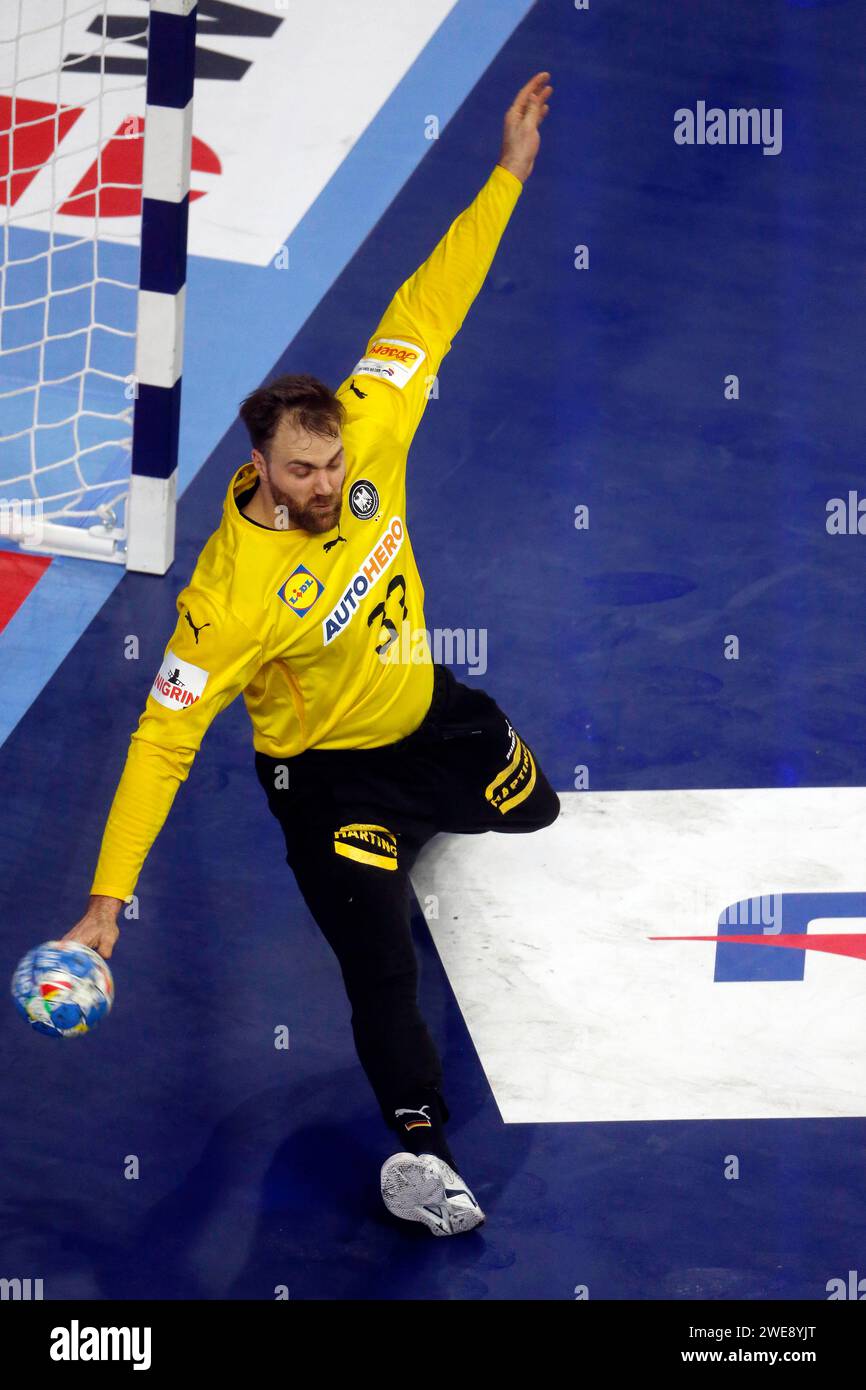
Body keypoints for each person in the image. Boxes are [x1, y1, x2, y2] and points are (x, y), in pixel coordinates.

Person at [63, 71, 558, 1238]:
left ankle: (417, 833)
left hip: (428, 716)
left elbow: (427, 307)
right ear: (260, 467)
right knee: (379, 962)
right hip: (326, 779)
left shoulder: (367, 426)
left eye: (331, 465)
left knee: (531, 809)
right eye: (302, 472)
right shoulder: (226, 600)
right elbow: (163, 739)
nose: (326, 485)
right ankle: (420, 1152)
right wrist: (106, 900)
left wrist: (503, 176)